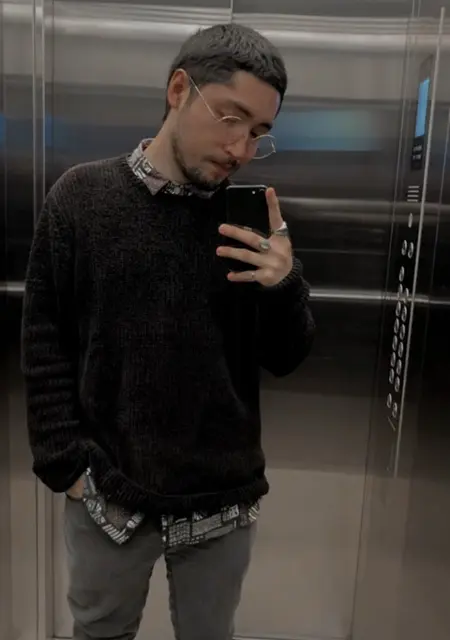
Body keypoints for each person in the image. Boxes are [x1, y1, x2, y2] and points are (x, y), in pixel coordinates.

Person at [21, 22, 315, 640]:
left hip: (223, 499)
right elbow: (45, 337)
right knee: (99, 632)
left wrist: (283, 285)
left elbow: (287, 357)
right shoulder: (80, 198)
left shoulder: (250, 224)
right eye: (231, 118)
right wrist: (64, 465)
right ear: (179, 90)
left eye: (259, 132)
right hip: (108, 494)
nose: (241, 149)